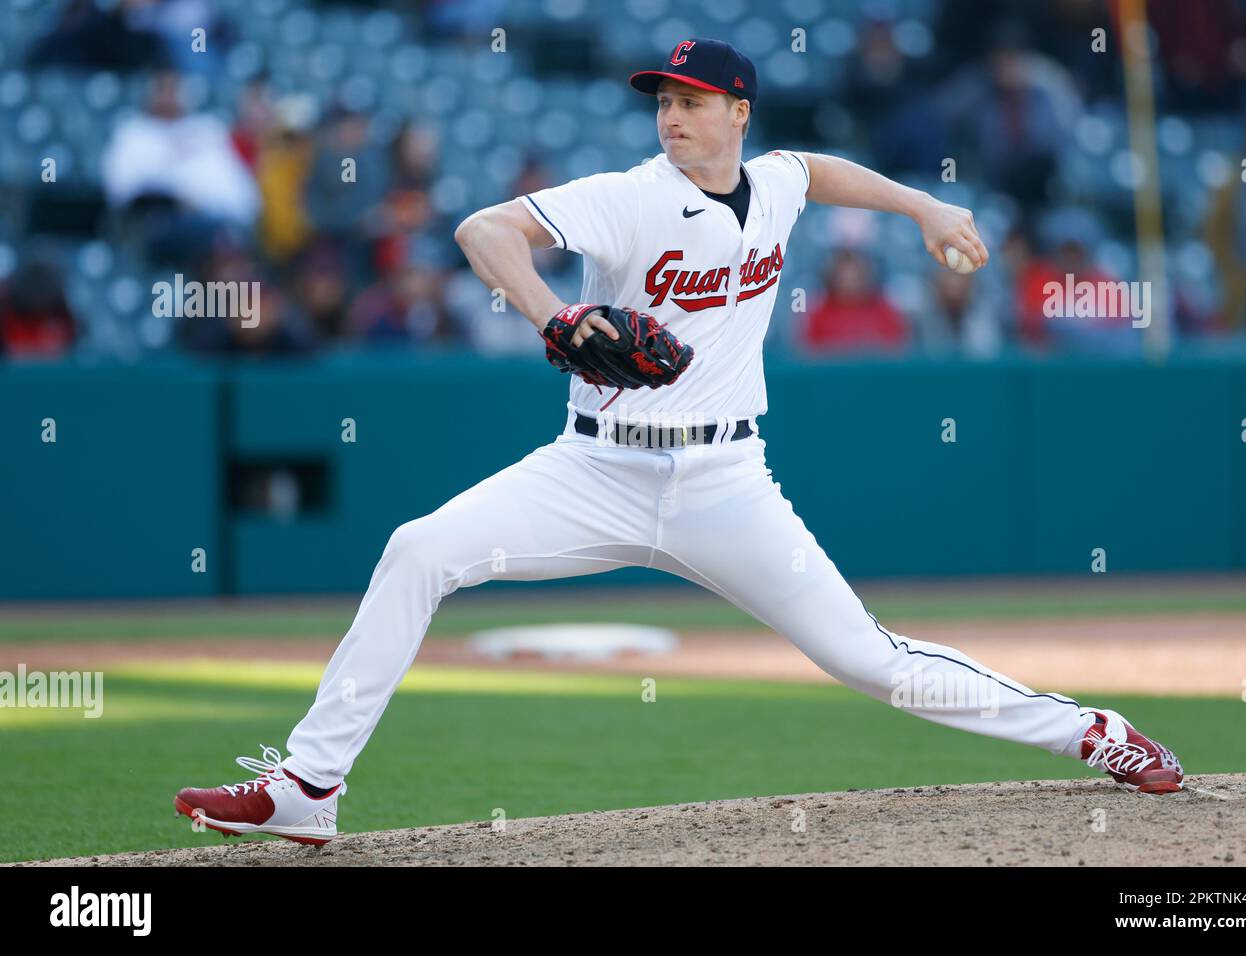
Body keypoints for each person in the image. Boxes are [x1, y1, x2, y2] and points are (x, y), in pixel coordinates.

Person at [173, 39, 1184, 846]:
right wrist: (551, 315)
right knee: (416, 548)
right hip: (593, 470)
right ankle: (309, 783)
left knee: (876, 663)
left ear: (737, 112)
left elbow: (813, 172)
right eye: (663, 97)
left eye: (693, 98)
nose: (671, 112)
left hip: (724, 481)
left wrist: (922, 202)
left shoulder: (775, 180)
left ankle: (1089, 730)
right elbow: (485, 230)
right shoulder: (633, 193)